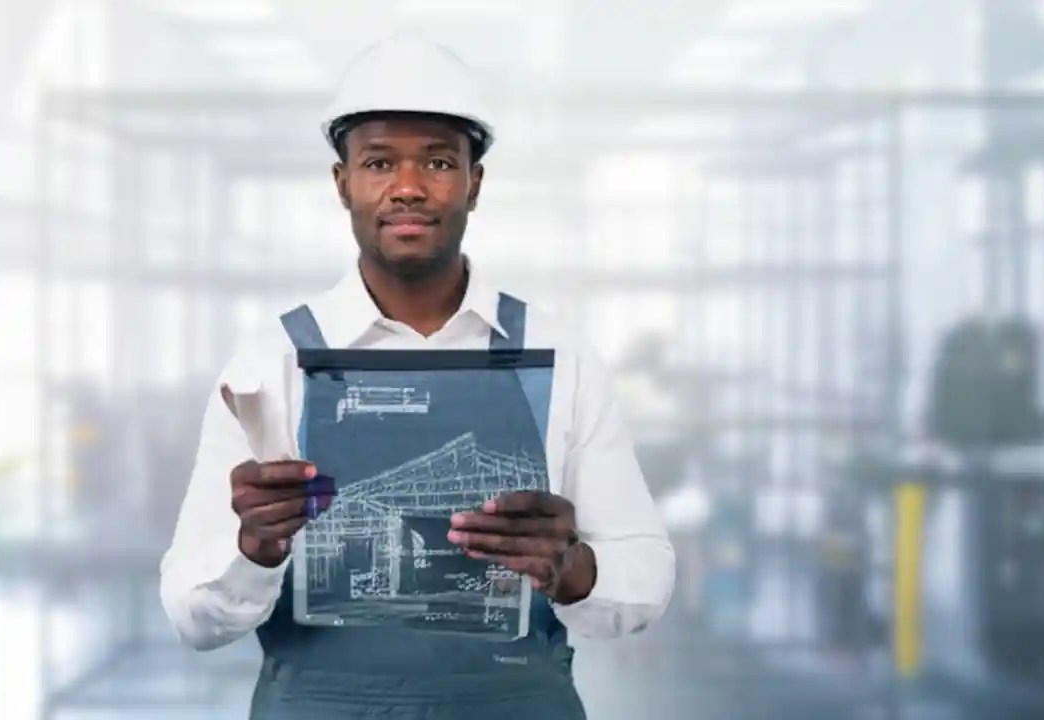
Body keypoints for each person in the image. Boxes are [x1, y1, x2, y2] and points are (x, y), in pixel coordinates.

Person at [159, 32, 675, 720]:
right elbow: (193, 618)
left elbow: (648, 574)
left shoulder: (561, 357)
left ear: (475, 182)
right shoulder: (269, 362)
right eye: (378, 163)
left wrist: (572, 569)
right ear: (342, 183)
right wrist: (255, 546)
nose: (407, 187)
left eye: (437, 160)